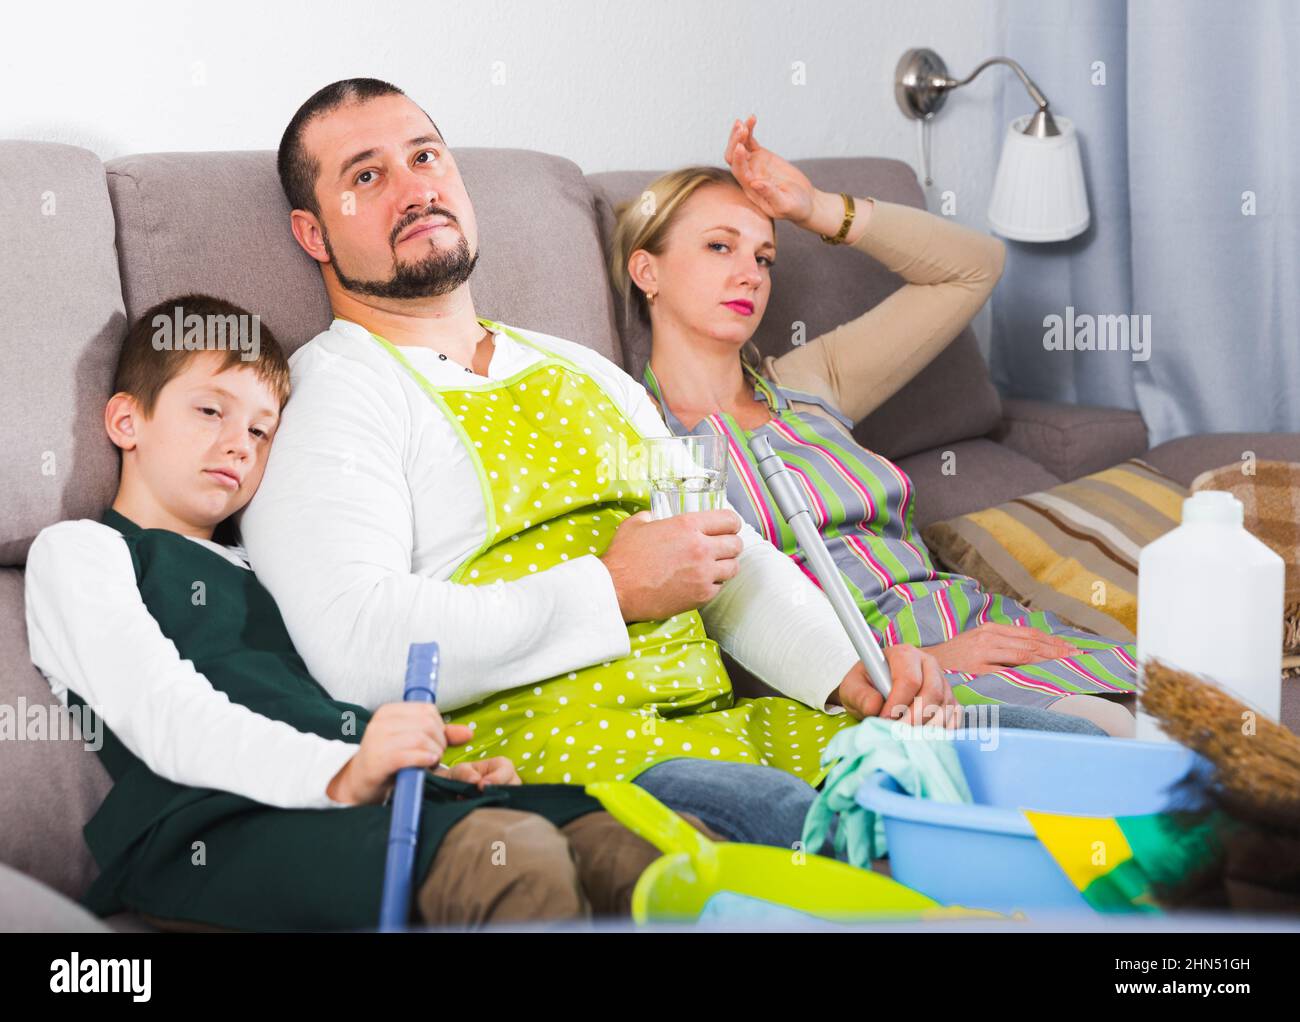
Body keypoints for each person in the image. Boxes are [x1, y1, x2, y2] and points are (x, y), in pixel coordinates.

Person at [238, 79, 1108, 856]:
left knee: (1070, 758)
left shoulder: (585, 371)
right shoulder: (333, 395)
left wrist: (852, 675)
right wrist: (608, 590)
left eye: (425, 155)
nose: (415, 186)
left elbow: (727, 561)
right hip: (572, 757)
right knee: (863, 832)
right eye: (367, 174)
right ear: (312, 233)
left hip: (734, 728)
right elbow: (356, 646)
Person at [24, 294, 704, 931]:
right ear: (126, 420)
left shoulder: (274, 569)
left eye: (263, 430)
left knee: (637, 844)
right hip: (212, 825)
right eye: (211, 412)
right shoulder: (82, 551)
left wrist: (435, 777)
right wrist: (346, 774)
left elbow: (341, 686)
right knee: (512, 857)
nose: (241, 444)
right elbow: (169, 719)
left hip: (357, 798)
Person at [609, 115, 1137, 738]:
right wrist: (910, 667)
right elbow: (723, 624)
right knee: (1118, 750)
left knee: (1209, 732)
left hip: (987, 627)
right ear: (647, 272)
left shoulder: (808, 385)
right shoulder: (637, 437)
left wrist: (817, 208)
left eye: (765, 255)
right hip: (884, 686)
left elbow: (976, 266)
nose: (751, 273)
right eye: (720, 246)